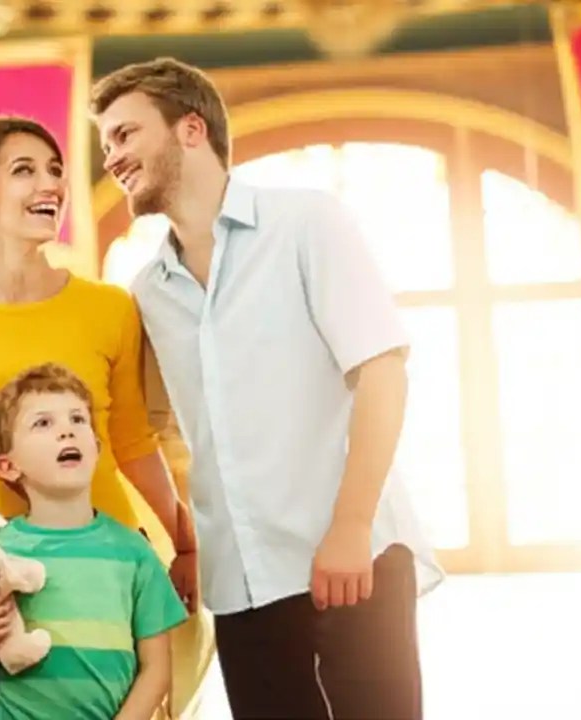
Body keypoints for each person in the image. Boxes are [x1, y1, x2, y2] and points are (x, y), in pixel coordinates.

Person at [89, 57, 443, 719]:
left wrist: (351, 525)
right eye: (106, 143)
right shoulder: (148, 292)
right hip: (241, 587)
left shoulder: (306, 223)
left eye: (125, 134)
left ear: (191, 129)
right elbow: (142, 426)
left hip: (348, 555)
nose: (111, 157)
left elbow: (382, 371)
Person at [0, 116, 198, 611]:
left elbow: (132, 441)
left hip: (110, 556)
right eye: (24, 170)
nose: (50, 184)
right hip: (0, 572)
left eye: (55, 170)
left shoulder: (109, 307)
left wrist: (184, 543)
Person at [0, 363, 187, 720]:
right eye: (43, 423)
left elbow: (156, 670)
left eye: (78, 419)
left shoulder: (135, 553)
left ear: (96, 447)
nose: (67, 431)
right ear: (7, 466)